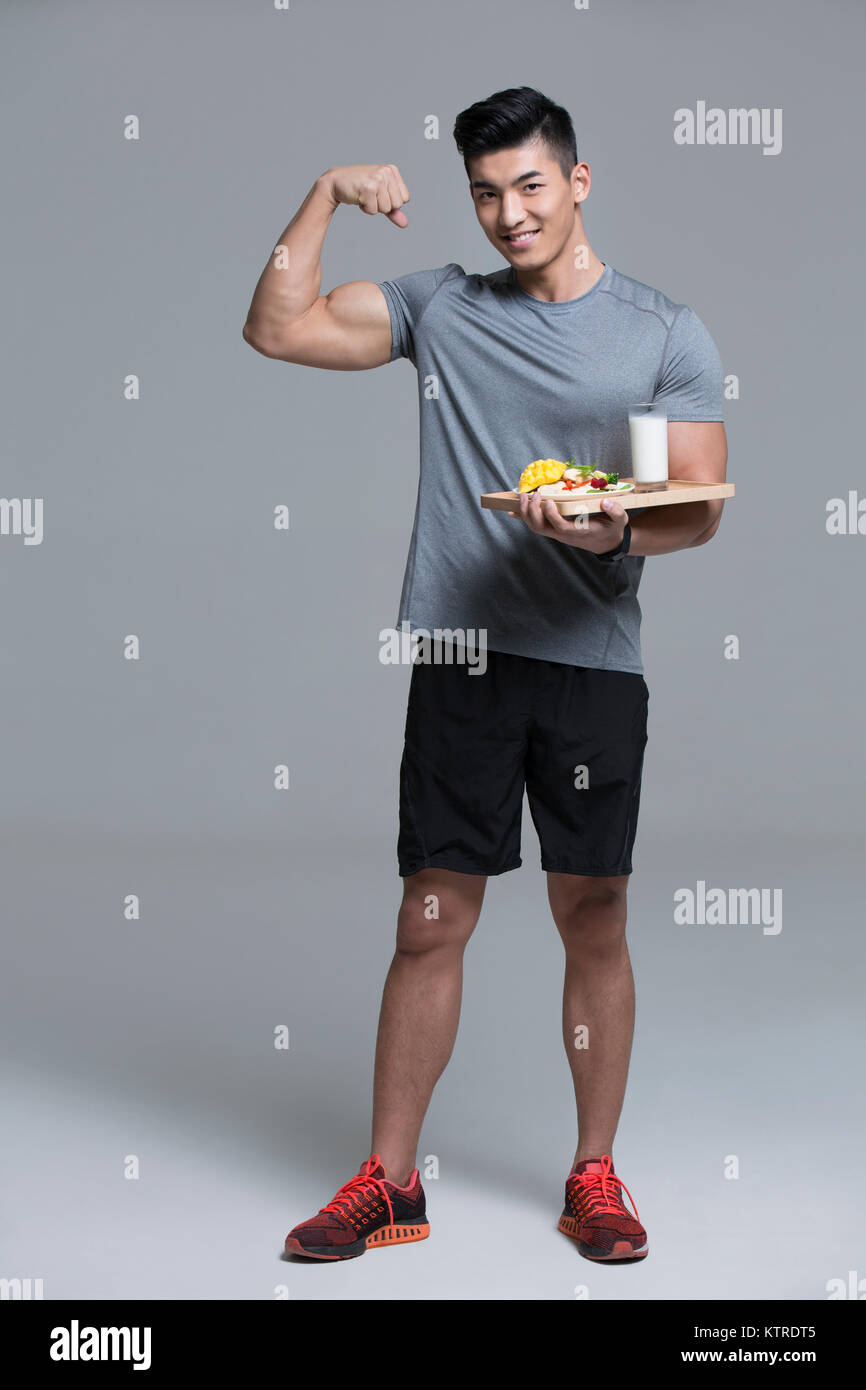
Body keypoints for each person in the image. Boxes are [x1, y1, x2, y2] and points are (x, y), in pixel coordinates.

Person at [243, 86, 727, 1265]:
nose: (508, 214)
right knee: (428, 919)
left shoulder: (663, 332)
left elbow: (693, 509)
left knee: (593, 917)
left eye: (527, 186)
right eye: (485, 193)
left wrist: (607, 528)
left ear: (575, 182)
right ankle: (387, 1183)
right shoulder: (440, 308)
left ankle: (592, 1176)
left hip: (590, 667)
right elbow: (278, 326)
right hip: (460, 656)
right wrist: (321, 195)